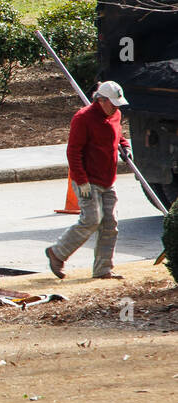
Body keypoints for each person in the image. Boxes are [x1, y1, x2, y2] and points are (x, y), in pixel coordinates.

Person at [46, 81, 130, 280]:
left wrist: (125, 146)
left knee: (110, 224)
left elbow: (118, 136)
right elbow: (73, 152)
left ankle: (103, 269)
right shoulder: (83, 118)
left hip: (108, 179)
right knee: (91, 219)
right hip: (87, 180)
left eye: (118, 104)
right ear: (100, 100)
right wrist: (81, 181)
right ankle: (57, 253)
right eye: (112, 103)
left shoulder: (115, 114)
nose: (116, 107)